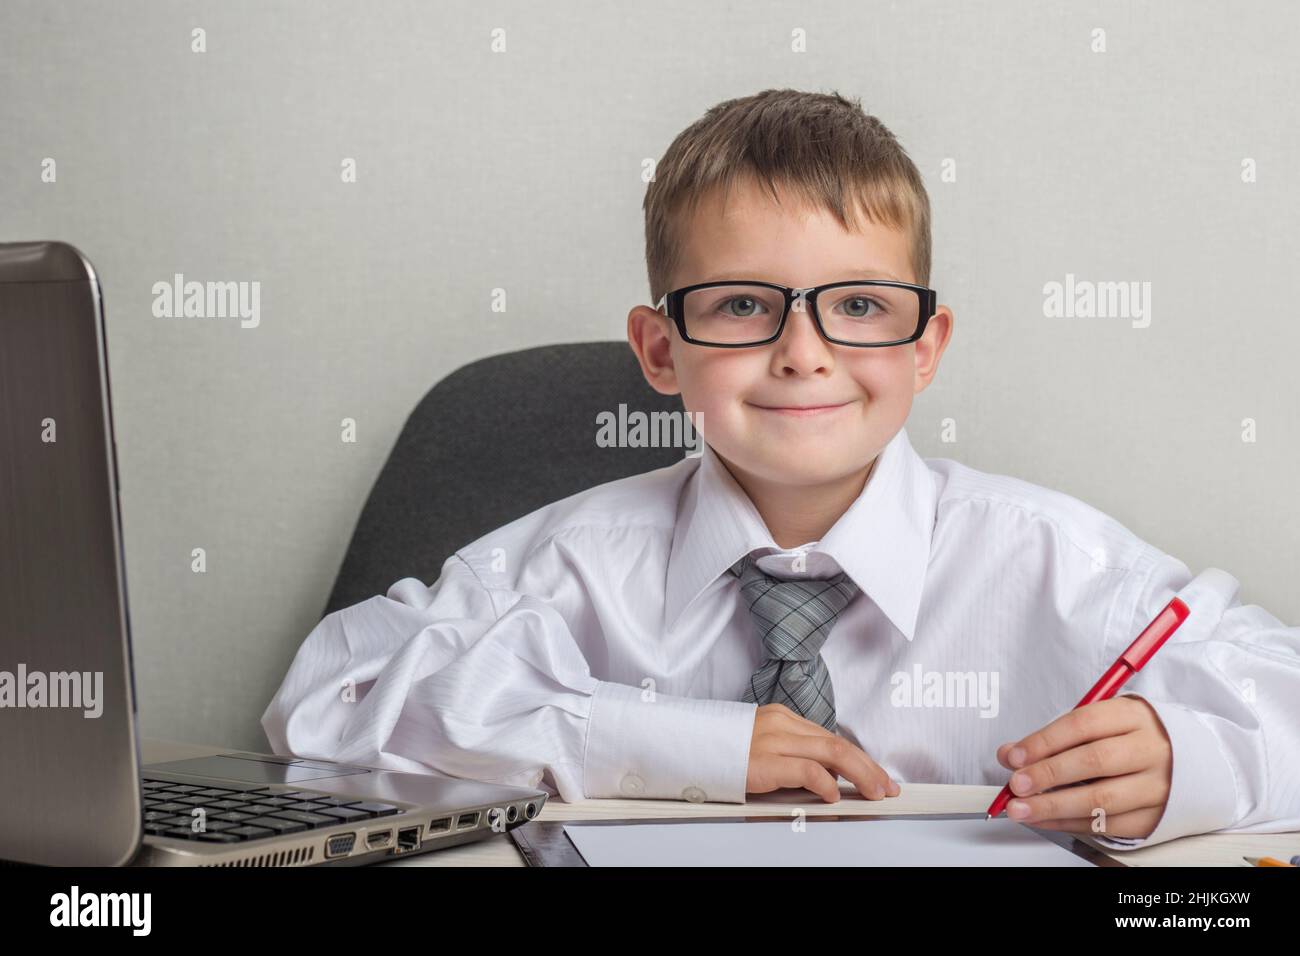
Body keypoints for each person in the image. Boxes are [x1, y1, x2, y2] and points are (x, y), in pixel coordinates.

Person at [262, 88, 1300, 850]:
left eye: (857, 306)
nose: (803, 351)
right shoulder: (571, 561)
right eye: (743, 305)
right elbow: (323, 697)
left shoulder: (1048, 561)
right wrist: (675, 743)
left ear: (924, 347)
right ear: (660, 350)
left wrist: (1193, 763)